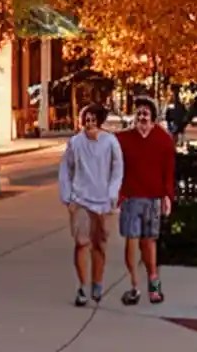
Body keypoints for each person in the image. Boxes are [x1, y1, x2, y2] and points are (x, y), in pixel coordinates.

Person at [58, 103, 123, 307]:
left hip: (103, 202)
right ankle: (82, 287)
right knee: (81, 243)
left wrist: (113, 193)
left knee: (99, 245)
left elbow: (117, 169)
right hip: (80, 200)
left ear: (100, 121)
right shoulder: (75, 142)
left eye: (94, 119)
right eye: (87, 119)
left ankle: (97, 282)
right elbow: (65, 170)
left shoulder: (110, 142)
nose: (90, 123)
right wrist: (67, 197)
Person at [116, 96, 176, 305]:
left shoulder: (163, 140)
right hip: (131, 199)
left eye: (145, 113)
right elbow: (112, 165)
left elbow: (168, 171)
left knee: (149, 243)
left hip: (152, 200)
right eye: (138, 113)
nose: (141, 117)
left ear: (153, 117)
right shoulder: (123, 139)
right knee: (131, 242)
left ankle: (154, 285)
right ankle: (134, 286)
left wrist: (168, 196)